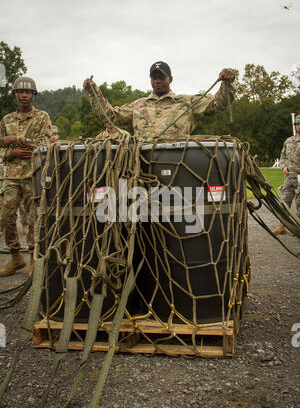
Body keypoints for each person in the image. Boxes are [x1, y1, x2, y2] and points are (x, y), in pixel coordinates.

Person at [83, 61, 236, 140]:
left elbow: (218, 104)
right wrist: (94, 92)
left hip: (180, 163)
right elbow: (110, 116)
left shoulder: (187, 102)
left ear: (170, 79)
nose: (157, 81)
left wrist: (228, 83)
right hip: (142, 167)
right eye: (154, 77)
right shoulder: (138, 105)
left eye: (161, 77)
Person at [0, 76, 52, 277]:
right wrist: (11, 153)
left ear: (33, 95)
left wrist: (16, 139)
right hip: (11, 176)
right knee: (6, 218)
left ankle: (33, 258)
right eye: (20, 92)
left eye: (27, 92)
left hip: (33, 174)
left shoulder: (42, 117)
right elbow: (1, 146)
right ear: (16, 94)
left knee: (33, 220)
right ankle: (15, 257)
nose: (24, 95)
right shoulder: (6, 120)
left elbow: (45, 143)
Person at [273, 114, 300, 236]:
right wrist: (283, 166)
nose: (299, 126)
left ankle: (298, 228)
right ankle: (282, 226)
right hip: (289, 177)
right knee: (284, 202)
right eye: (297, 124)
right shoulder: (288, 141)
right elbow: (282, 156)